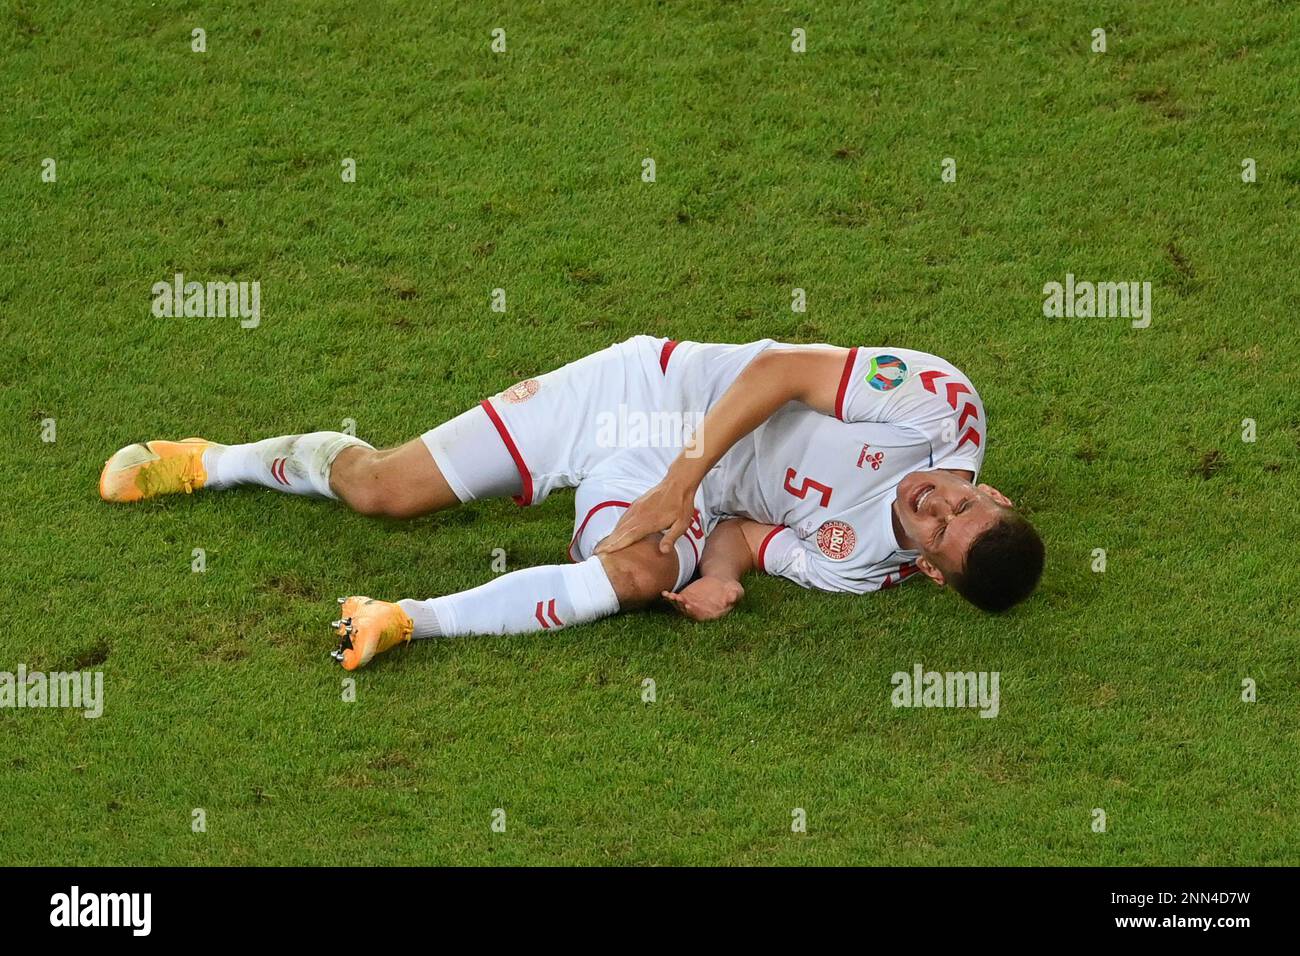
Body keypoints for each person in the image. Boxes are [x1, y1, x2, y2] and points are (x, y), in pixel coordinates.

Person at [99, 337, 1044, 669]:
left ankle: (403, 621)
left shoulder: (859, 568)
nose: (936, 503)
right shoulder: (941, 404)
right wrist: (679, 475)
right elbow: (779, 373)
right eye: (964, 502)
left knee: (634, 576)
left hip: (691, 495)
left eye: (941, 531)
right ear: (991, 489)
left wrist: (717, 575)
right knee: (382, 488)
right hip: (640, 393)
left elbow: (753, 541)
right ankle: (211, 460)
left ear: (925, 569)